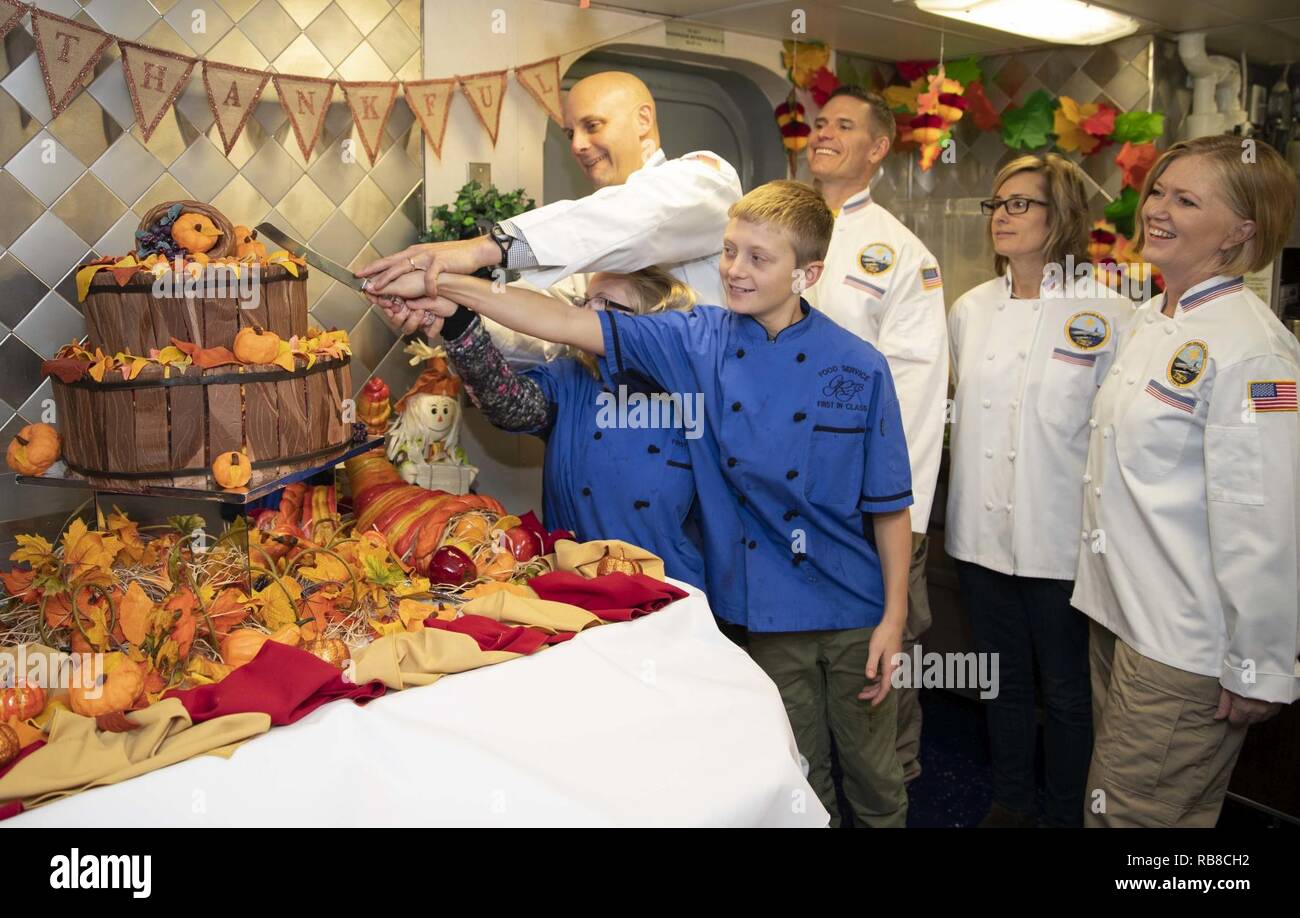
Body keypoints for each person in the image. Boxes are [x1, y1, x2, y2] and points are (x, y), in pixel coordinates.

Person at [389, 180, 916, 827]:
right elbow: (538, 354)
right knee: (786, 771)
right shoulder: (657, 356)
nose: (735, 269)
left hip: (748, 606)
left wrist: (895, 616)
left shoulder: (834, 366)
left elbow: (886, 502)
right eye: (729, 252)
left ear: (806, 274)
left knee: (870, 776)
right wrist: (454, 294)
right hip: (672, 606)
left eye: (757, 257)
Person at [1073, 135, 1299, 827]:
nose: (1158, 209)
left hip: (1183, 646)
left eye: (1187, 199)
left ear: (1241, 232)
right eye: (1160, 191)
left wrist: (1262, 663)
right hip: (1121, 621)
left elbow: (1264, 518)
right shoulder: (1154, 318)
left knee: (1128, 824)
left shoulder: (1256, 351)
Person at [946, 154, 1133, 827]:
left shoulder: (1111, 313)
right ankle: (1010, 802)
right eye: (996, 204)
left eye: (1020, 204)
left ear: (1064, 217)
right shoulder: (971, 308)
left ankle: (1065, 812)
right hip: (980, 538)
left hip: (1063, 540)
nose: (1002, 216)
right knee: (1003, 683)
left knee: (1068, 690)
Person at [368, 268, 709, 591]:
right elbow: (506, 402)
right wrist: (456, 323)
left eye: (601, 303)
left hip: (673, 591)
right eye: (583, 301)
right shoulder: (571, 379)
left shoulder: (694, 393)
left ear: (647, 319)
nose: (582, 313)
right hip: (577, 587)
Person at [358, 70, 741, 349]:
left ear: (643, 119)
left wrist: (477, 250)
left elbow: (633, 218)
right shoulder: (581, 256)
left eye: (592, 125)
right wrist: (446, 309)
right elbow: (534, 334)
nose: (577, 145)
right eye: (570, 133)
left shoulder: (706, 178)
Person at [804, 86, 949, 783]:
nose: (824, 133)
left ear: (878, 147)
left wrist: (899, 514)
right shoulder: (779, 229)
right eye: (820, 122)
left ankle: (897, 779)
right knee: (802, 650)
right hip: (784, 496)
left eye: (844, 126)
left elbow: (915, 396)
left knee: (879, 653)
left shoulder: (900, 254)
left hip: (868, 504)